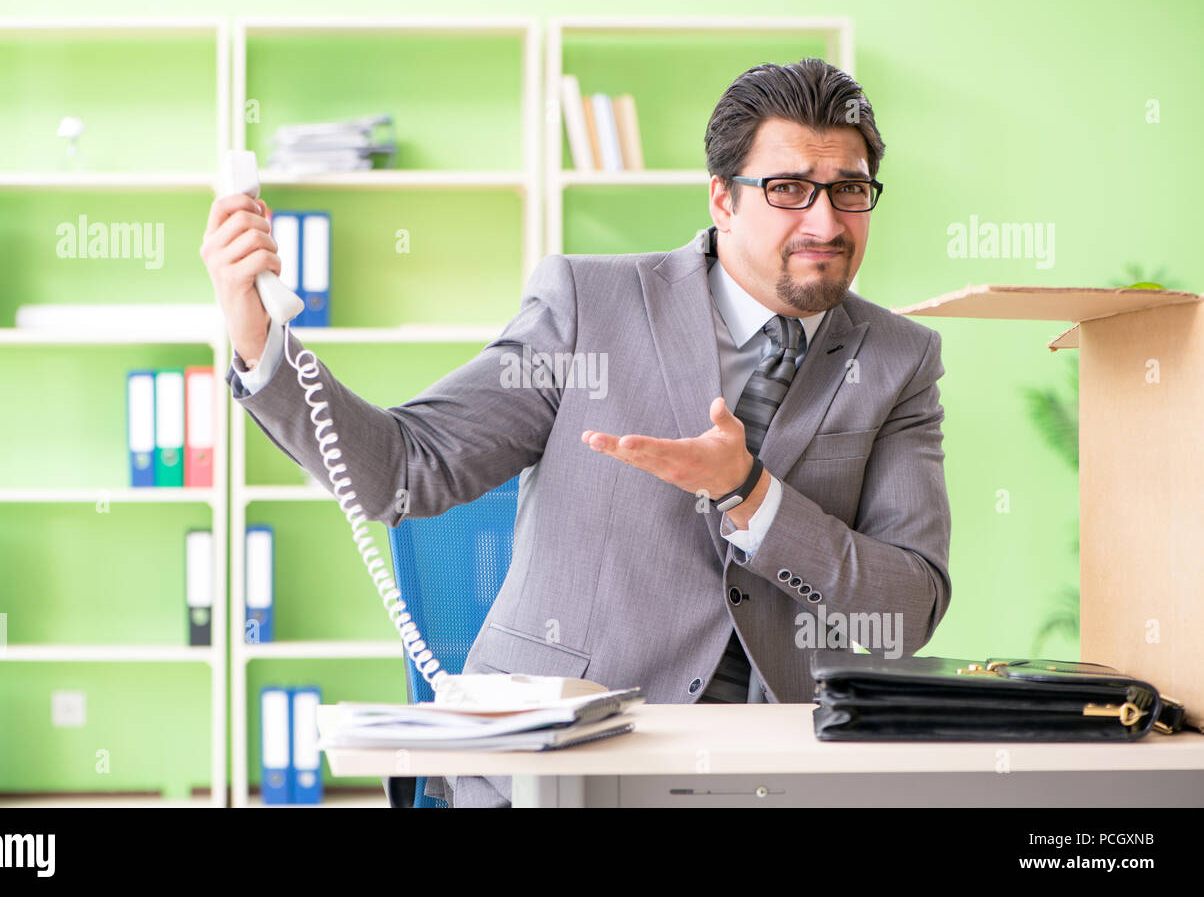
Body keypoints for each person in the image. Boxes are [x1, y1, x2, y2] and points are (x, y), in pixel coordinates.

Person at [199, 57, 952, 807]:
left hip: (771, 771)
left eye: (849, 190)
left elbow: (909, 610)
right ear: (722, 199)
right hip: (566, 760)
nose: (825, 222)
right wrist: (260, 339)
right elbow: (405, 466)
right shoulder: (590, 303)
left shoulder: (898, 360)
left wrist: (752, 497)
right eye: (788, 189)